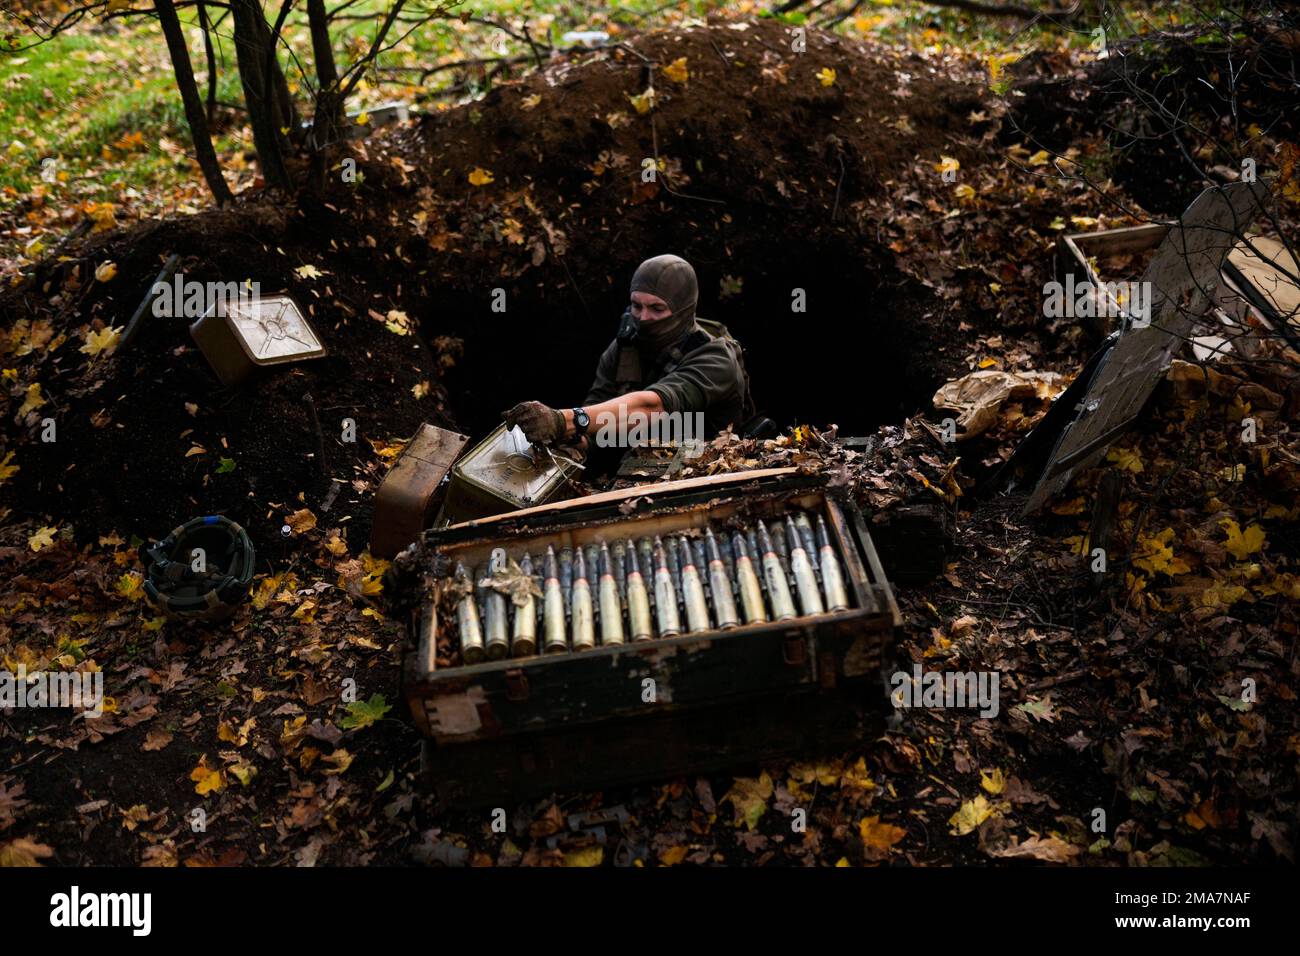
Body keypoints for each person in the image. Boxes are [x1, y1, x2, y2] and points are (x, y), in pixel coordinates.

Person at [501, 254, 751, 459]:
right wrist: (575, 444)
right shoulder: (624, 348)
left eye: (656, 308)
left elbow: (654, 405)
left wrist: (564, 419)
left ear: (683, 309)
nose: (642, 317)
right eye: (636, 305)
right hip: (638, 467)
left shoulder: (715, 357)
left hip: (704, 467)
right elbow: (599, 415)